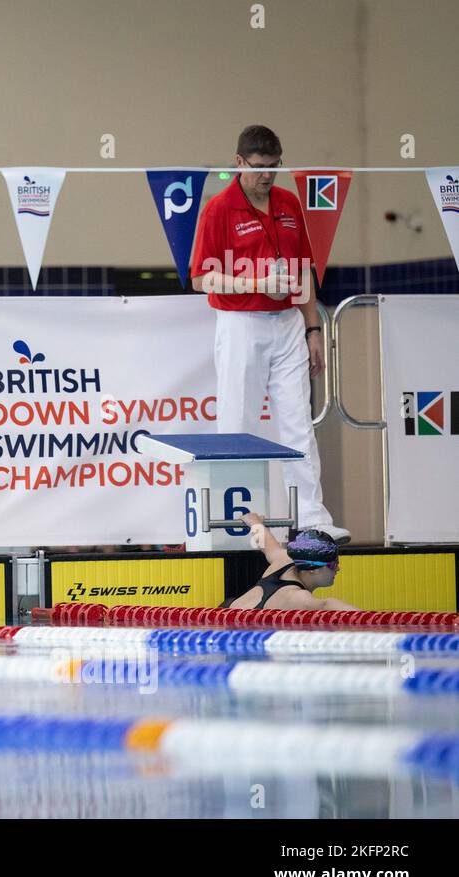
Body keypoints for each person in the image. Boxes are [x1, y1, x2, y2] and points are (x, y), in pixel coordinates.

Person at [189, 125, 349, 542]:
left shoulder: (288, 203)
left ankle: (314, 519)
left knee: (299, 423)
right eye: (259, 168)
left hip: (288, 325)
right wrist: (254, 283)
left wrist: (313, 327)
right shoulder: (219, 210)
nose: (267, 176)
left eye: (274, 167)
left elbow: (304, 271)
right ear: (240, 162)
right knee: (238, 423)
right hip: (242, 324)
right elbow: (200, 277)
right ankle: (233, 523)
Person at [227, 513, 358, 610]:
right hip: (232, 631)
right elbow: (326, 605)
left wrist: (254, 521)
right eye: (332, 565)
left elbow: (265, 542)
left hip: (227, 611)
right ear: (312, 568)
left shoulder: (284, 560)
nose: (337, 569)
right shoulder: (297, 597)